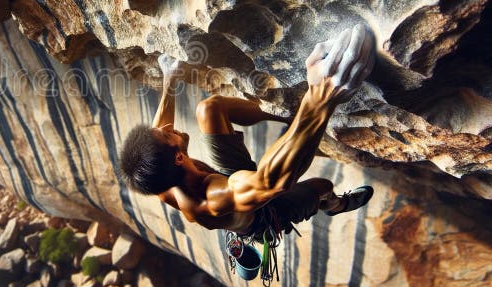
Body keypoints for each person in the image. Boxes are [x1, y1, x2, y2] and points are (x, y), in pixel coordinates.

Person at [119, 24, 376, 239]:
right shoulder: (212, 201)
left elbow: (158, 131)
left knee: (209, 109)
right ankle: (337, 205)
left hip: (227, 178)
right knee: (322, 186)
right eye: (167, 135)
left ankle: (283, 111)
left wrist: (169, 78)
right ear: (178, 157)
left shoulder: (161, 178)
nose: (166, 127)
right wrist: (319, 98)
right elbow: (271, 182)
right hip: (264, 215)